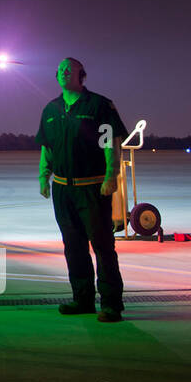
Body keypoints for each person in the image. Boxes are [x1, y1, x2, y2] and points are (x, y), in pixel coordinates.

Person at [37, 57, 128, 322]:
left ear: (81, 75)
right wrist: (44, 176)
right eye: (61, 70)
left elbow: (112, 143)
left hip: (92, 189)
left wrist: (112, 175)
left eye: (70, 70)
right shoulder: (51, 110)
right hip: (63, 190)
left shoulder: (99, 106)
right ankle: (83, 299)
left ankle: (111, 304)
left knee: (102, 246)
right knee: (73, 246)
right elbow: (47, 147)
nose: (64, 73)